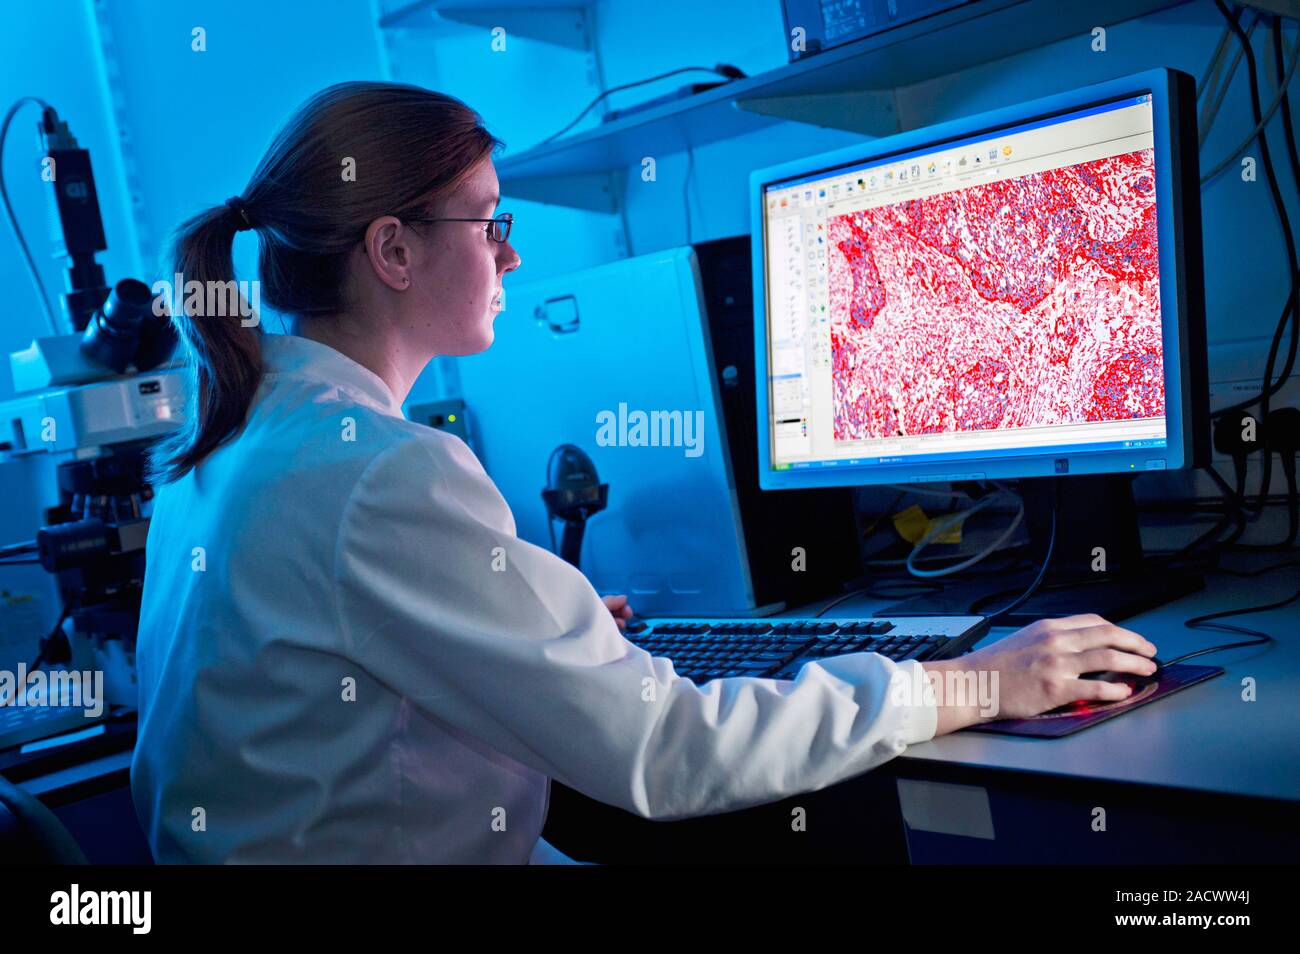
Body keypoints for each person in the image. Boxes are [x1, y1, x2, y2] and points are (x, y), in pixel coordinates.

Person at [130, 81, 1160, 864]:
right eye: (491, 222)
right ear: (392, 250)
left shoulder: (230, 446)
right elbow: (666, 753)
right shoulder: (380, 473)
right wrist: (975, 679)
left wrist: (536, 642)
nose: (512, 257)